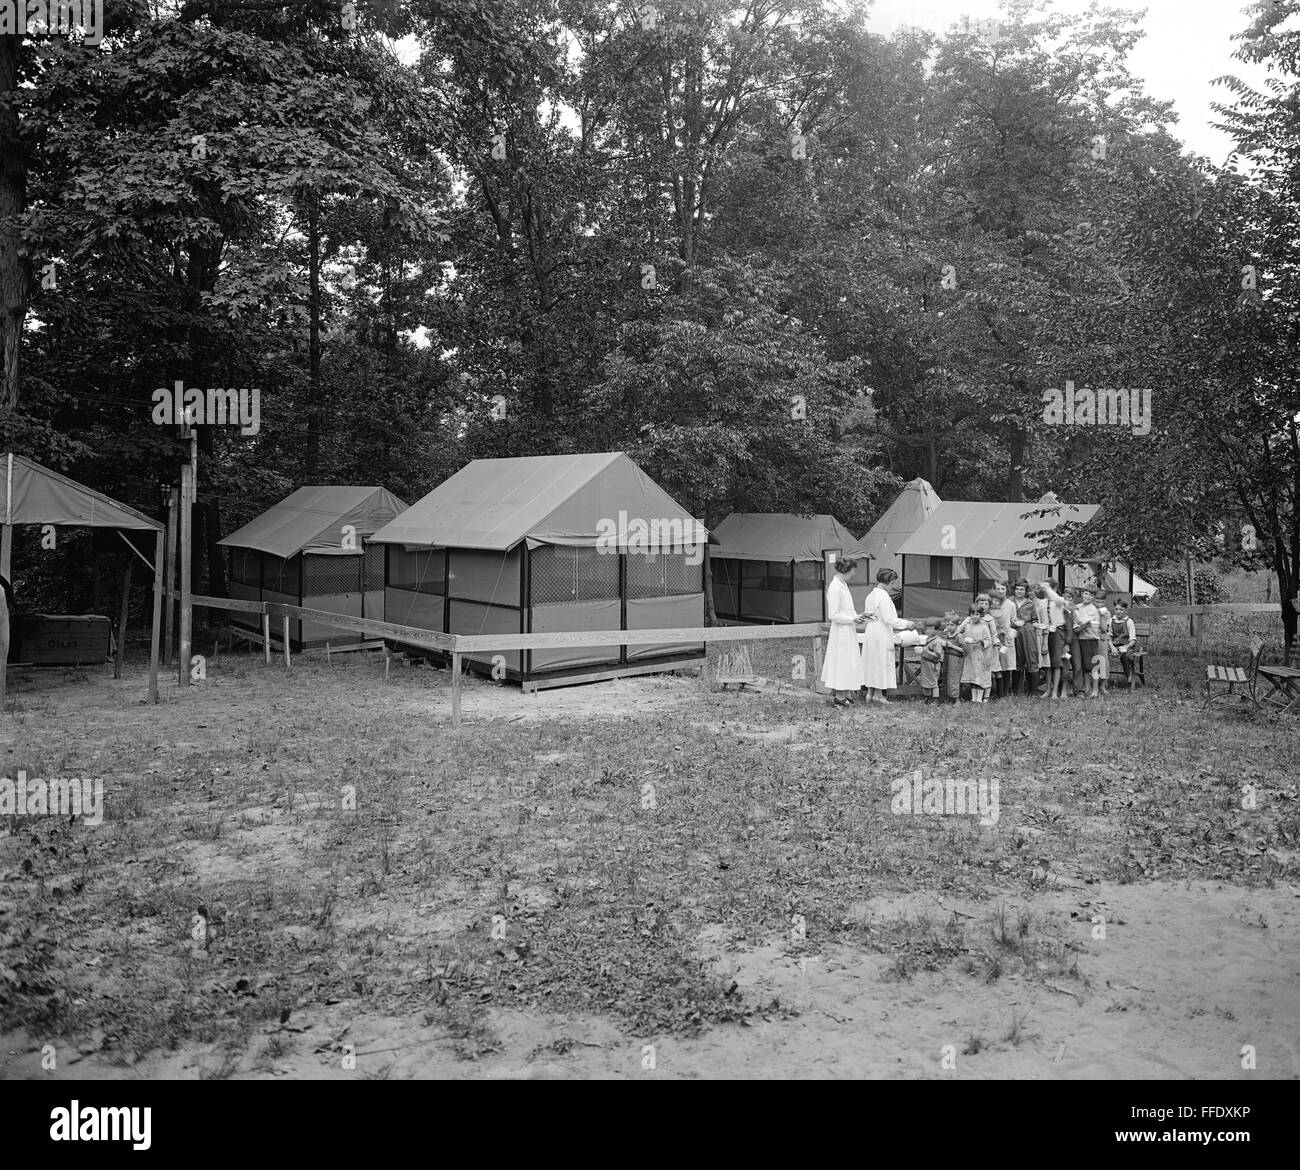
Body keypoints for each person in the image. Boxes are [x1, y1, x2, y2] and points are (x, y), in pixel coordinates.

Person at [860, 568, 915, 704]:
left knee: (872, 662)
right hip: (881, 631)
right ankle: (879, 694)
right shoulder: (883, 597)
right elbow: (889, 618)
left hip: (871, 630)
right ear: (888, 582)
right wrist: (906, 624)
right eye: (892, 583)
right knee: (881, 662)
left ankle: (870, 693)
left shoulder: (870, 595)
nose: (892, 586)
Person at [820, 556, 864, 707]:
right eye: (852, 570)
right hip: (840, 631)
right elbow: (833, 615)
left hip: (848, 629)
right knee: (841, 662)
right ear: (846, 570)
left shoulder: (843, 584)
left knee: (849, 661)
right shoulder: (835, 587)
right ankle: (839, 696)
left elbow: (847, 609)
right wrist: (852, 619)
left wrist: (857, 616)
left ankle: (845, 693)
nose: (854, 573)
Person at [957, 602, 992, 701]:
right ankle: (974, 698)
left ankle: (979, 698)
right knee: (972, 676)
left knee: (979, 676)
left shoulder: (984, 627)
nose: (974, 616)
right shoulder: (967, 626)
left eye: (977, 614)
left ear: (981, 615)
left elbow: (989, 641)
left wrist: (981, 641)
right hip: (970, 654)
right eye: (972, 614)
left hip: (980, 655)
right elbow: (959, 632)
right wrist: (964, 639)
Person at [989, 584, 1019, 697]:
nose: (1000, 591)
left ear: (1007, 590)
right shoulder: (991, 603)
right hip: (994, 637)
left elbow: (1013, 619)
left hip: (1006, 638)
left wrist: (1015, 625)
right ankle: (993, 691)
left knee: (1006, 665)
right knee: (995, 664)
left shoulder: (1011, 605)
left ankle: (1004, 692)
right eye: (998, 589)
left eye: (1003, 588)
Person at [1072, 586, 1102, 699]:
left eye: (1090, 595)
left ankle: (1095, 690)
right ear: (1082, 594)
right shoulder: (1078, 606)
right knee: (1084, 666)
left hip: (1091, 639)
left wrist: (1077, 618)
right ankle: (1087, 688)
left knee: (1093, 665)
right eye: (1086, 593)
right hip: (1080, 639)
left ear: (1093, 597)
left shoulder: (1093, 610)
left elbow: (1083, 622)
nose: (1087, 596)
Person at [1012, 580, 1039, 695]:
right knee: (1017, 660)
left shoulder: (1030, 603)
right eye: (1017, 589)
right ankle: (1016, 691)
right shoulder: (1010, 602)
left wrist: (1037, 626)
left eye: (1022, 589)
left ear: (1025, 591)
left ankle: (1033, 692)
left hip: (1027, 631)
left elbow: (1034, 620)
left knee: (1031, 658)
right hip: (1014, 631)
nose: (1019, 591)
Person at [918, 619, 946, 704]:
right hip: (926, 663)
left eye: (930, 629)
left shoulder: (937, 641)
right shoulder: (928, 638)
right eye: (926, 629)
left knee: (933, 682)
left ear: (936, 630)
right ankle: (927, 698)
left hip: (932, 665)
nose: (927, 631)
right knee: (925, 681)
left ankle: (935, 699)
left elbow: (938, 655)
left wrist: (926, 651)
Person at [1112, 600, 1137, 686]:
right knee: (1101, 651)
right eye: (1116, 609)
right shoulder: (1111, 620)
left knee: (1124, 655)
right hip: (1114, 645)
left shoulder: (1129, 622)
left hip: (1127, 645)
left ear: (1125, 610)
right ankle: (1101, 678)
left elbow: (1133, 640)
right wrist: (1112, 646)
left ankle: (1128, 674)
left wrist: (1126, 647)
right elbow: (1108, 635)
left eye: (1121, 609)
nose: (1118, 611)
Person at [941, 613, 965, 704]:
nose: (949, 627)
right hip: (947, 658)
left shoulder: (959, 636)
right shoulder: (947, 635)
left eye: (952, 625)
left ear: (957, 625)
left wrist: (952, 646)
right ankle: (948, 697)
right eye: (947, 625)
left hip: (956, 660)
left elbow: (964, 650)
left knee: (954, 678)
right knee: (946, 677)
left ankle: (956, 699)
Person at [1095, 594, 1113, 696]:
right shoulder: (1091, 610)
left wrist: (1101, 616)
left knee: (1103, 661)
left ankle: (1102, 685)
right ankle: (1092, 685)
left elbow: (1104, 629)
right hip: (1091, 638)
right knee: (1093, 661)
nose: (1100, 604)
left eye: (1102, 602)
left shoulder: (1106, 613)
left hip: (1101, 638)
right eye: (1097, 602)